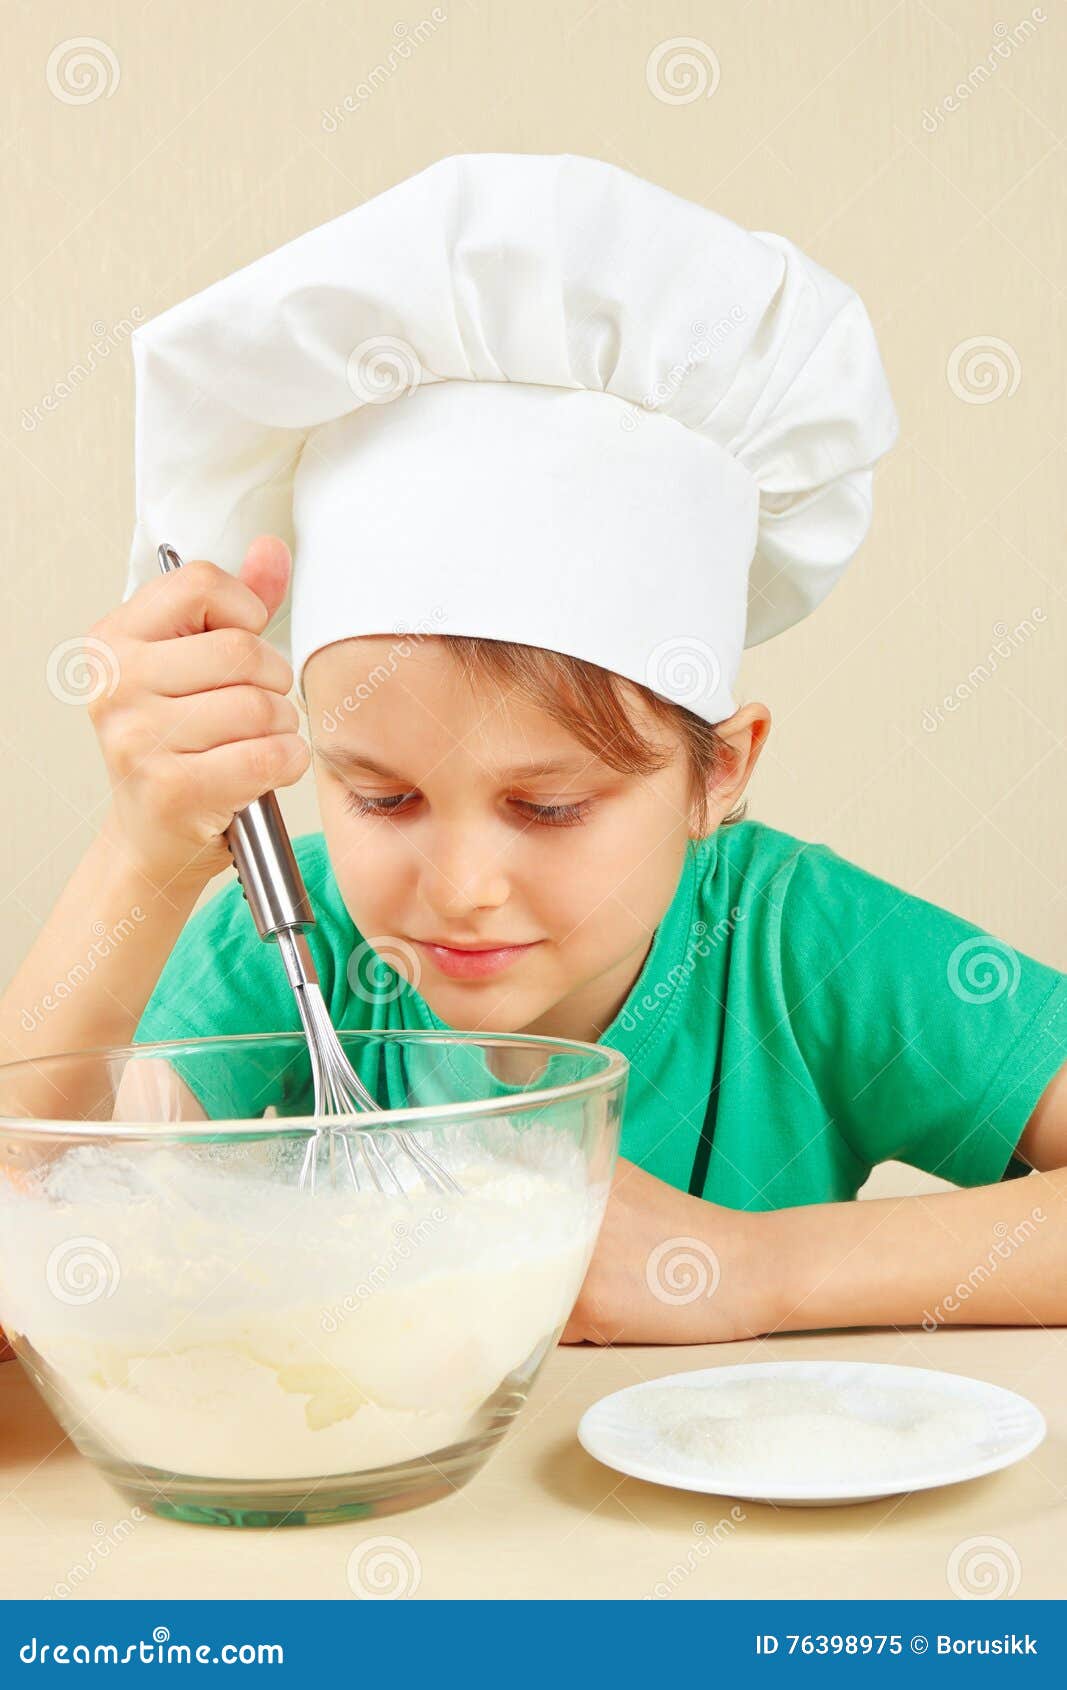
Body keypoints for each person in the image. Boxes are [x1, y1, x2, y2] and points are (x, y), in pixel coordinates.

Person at [3, 154, 1065, 1353]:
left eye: (549, 806)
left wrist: (753, 1267)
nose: (458, 887)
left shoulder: (796, 945)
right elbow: (20, 1251)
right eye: (381, 794)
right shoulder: (280, 955)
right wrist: (141, 856)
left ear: (717, 770)